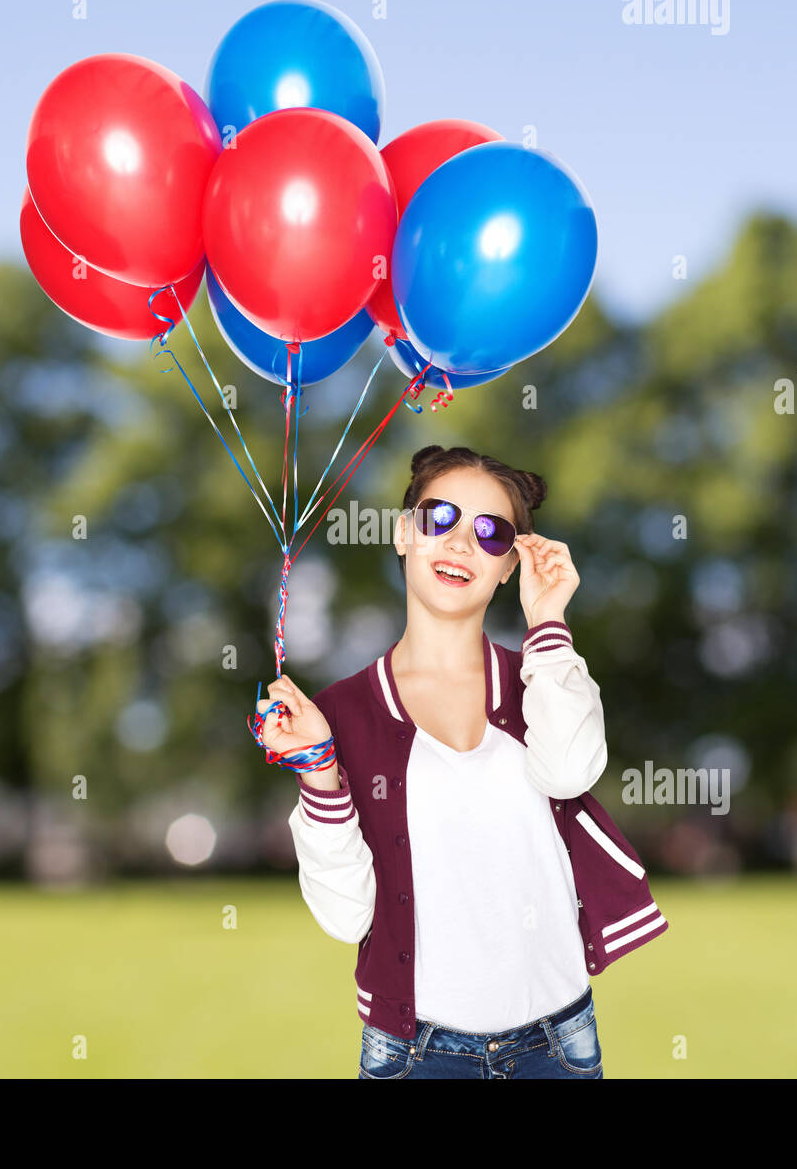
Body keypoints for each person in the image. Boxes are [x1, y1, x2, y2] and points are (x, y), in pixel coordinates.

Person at [255, 444, 667, 1079]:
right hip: (413, 1055)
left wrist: (547, 618)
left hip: (558, 1044)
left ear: (509, 566)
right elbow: (345, 917)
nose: (460, 543)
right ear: (403, 532)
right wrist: (319, 770)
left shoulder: (544, 676)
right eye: (438, 517)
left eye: (491, 532)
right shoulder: (338, 714)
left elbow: (570, 773)